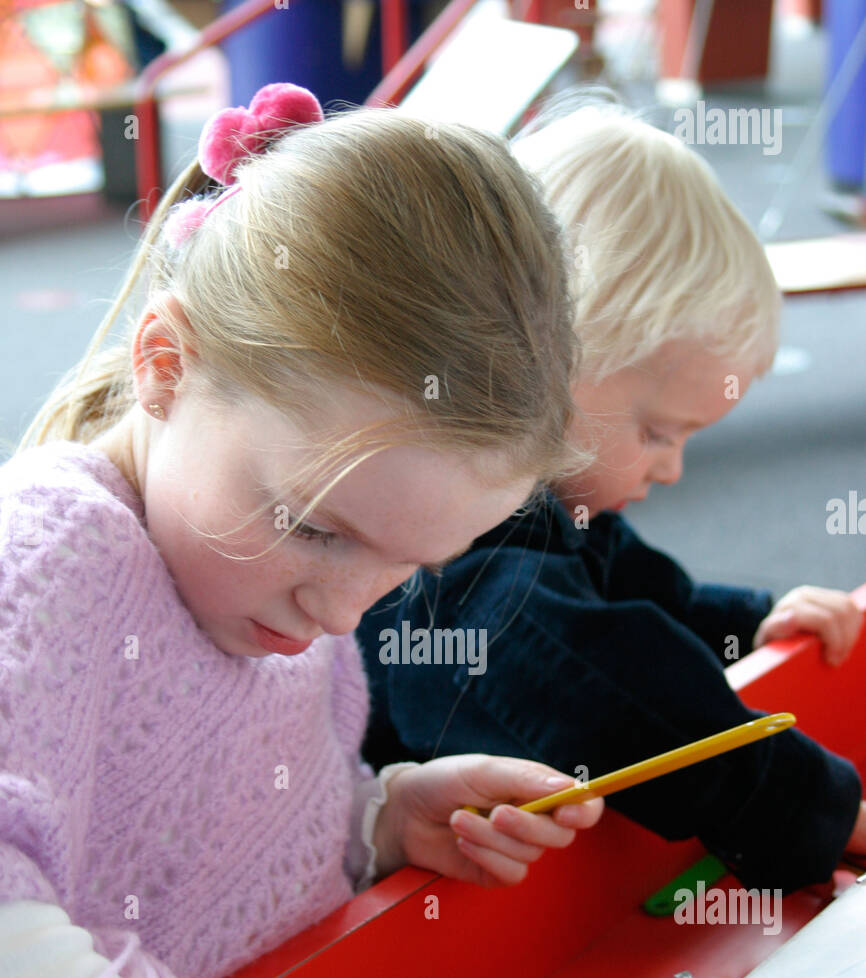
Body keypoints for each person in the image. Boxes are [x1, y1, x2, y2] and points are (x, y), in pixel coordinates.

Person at [0, 84, 605, 978]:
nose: (347, 610)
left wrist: (375, 817)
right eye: (317, 530)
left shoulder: (262, 578)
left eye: (410, 564)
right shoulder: (48, 570)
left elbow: (174, 820)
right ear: (165, 366)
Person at [357, 99, 866, 895]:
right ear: (549, 364)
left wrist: (747, 625)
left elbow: (638, 596)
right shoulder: (457, 546)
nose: (673, 469)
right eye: (661, 433)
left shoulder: (551, 509)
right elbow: (605, 687)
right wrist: (819, 813)